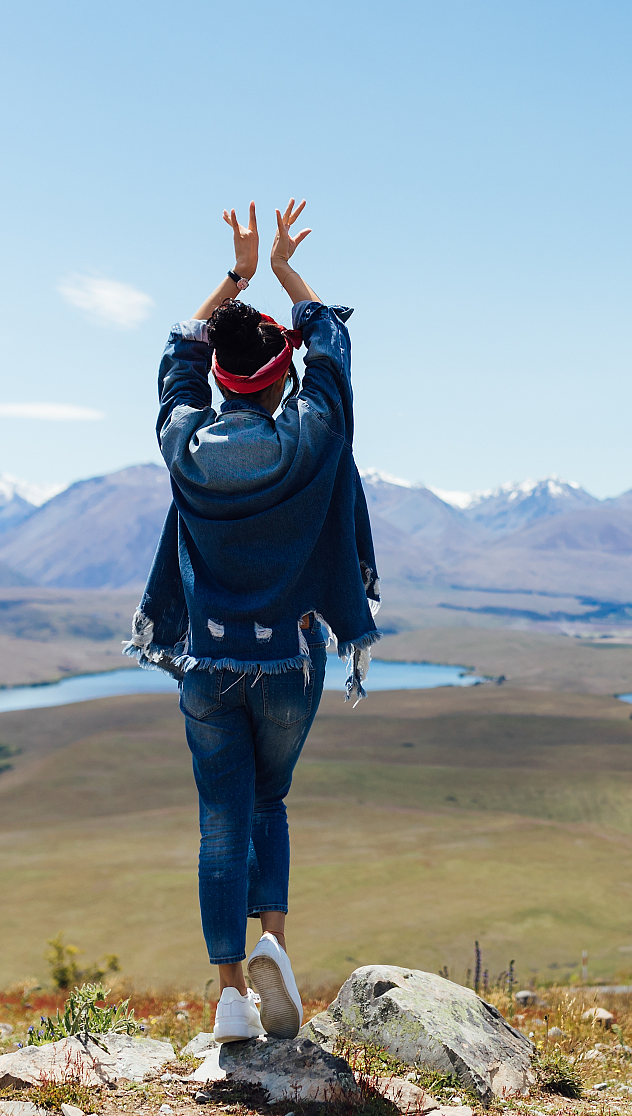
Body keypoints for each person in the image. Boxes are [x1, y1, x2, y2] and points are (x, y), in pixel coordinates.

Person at [126, 199, 381, 1043]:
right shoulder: (309, 440)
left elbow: (176, 359)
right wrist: (284, 277)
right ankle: (275, 943)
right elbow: (334, 360)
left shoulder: (186, 446)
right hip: (289, 665)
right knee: (270, 800)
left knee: (219, 818)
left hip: (205, 666)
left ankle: (231, 995)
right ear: (278, 377)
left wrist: (230, 280)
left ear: (224, 382)